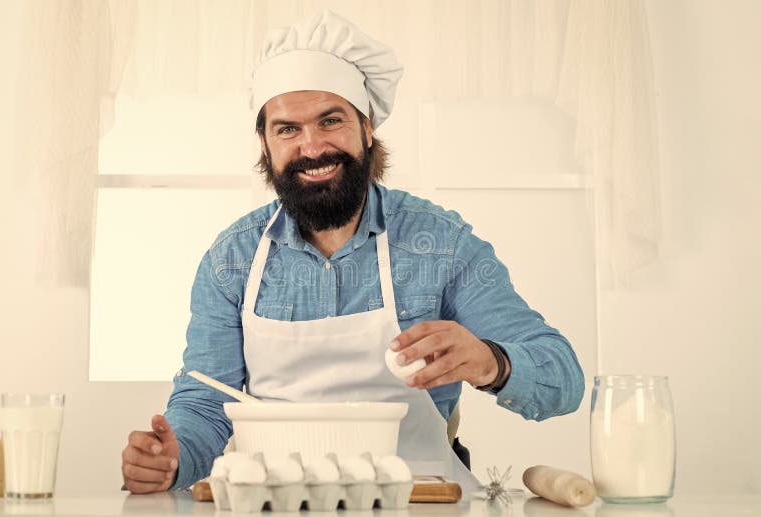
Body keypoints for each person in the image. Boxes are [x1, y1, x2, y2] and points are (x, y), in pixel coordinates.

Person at [121, 10, 585, 495]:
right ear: (265, 142)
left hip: (420, 500)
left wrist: (492, 362)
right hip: (274, 501)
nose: (312, 146)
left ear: (367, 128)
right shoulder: (230, 260)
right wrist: (172, 458)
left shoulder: (442, 246)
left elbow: (562, 376)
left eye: (331, 120)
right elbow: (203, 404)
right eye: (287, 129)